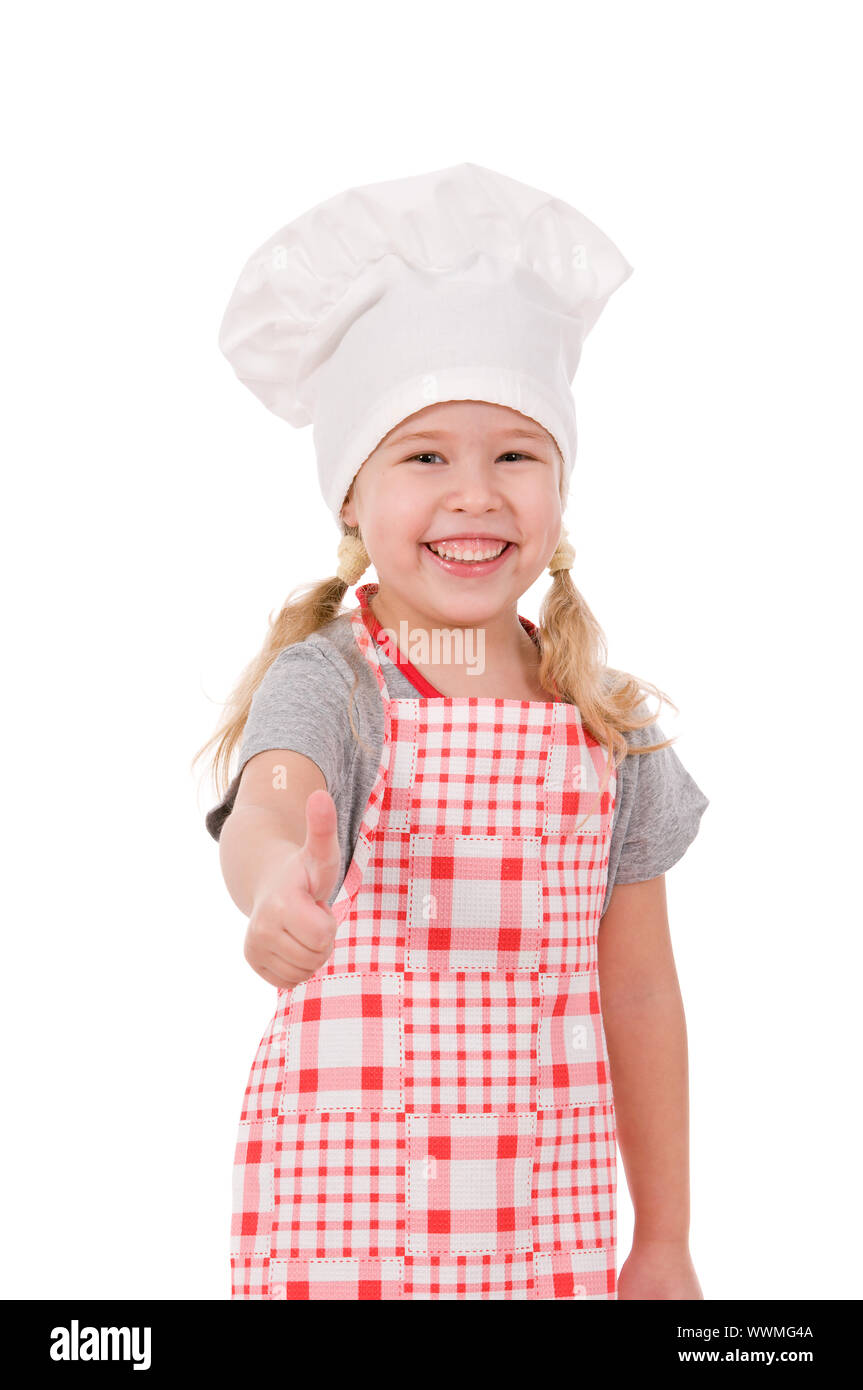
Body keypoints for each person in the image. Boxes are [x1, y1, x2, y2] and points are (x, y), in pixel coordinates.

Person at [194, 162, 710, 1301]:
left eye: (513, 455)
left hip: (547, 1216)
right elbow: (273, 799)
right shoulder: (331, 685)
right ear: (350, 496)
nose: (474, 495)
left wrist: (662, 1236)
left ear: (559, 487)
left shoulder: (608, 723)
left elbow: (637, 991)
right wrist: (277, 884)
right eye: (425, 455)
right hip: (342, 1218)